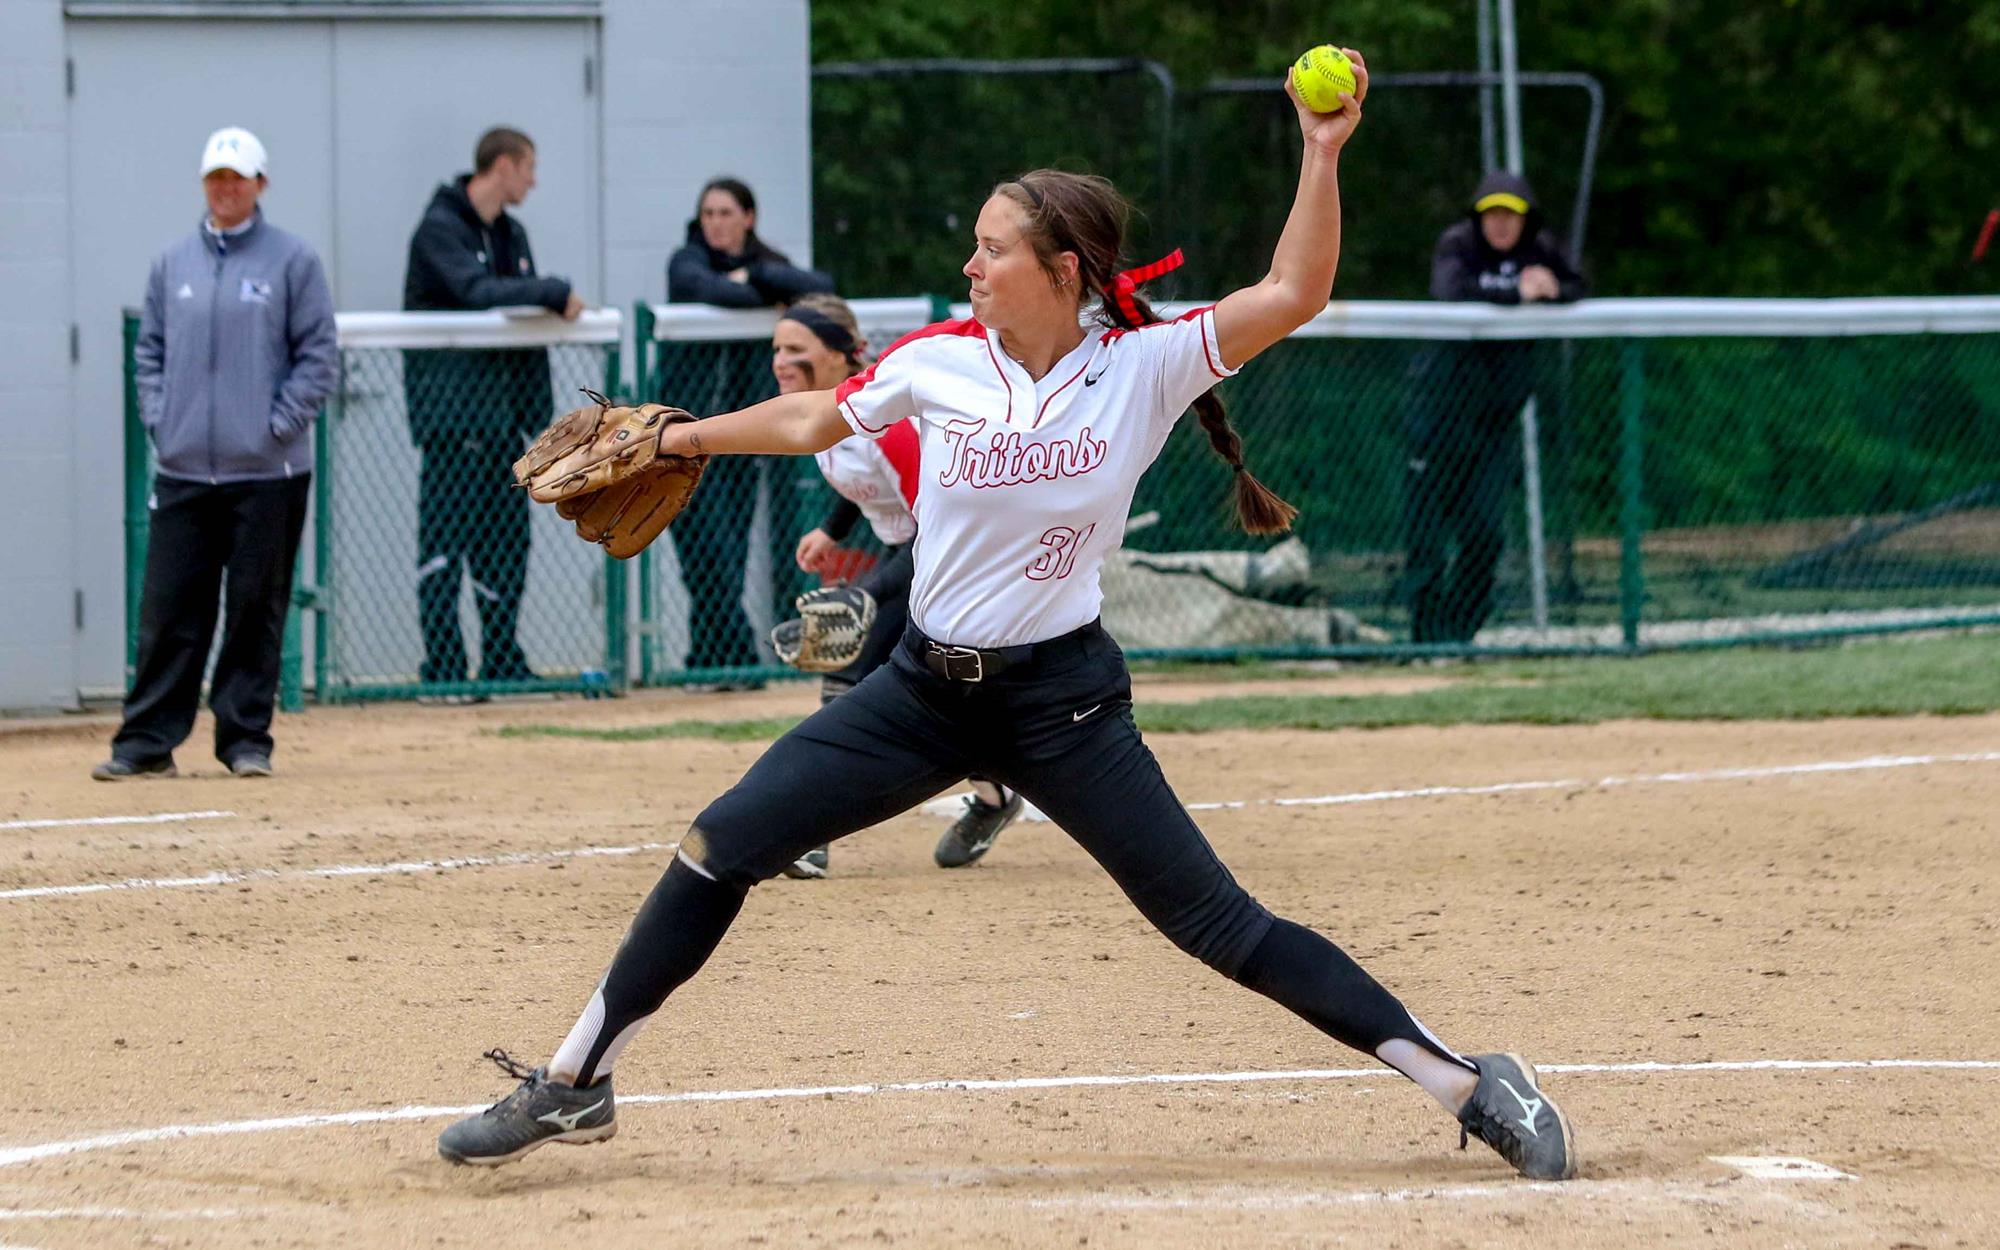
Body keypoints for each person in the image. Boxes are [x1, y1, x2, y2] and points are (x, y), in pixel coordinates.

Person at [438, 53, 1577, 1184]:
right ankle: (574, 1082)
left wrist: (1319, 151)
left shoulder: (1138, 366)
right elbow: (812, 419)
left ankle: (1475, 1084)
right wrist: (680, 436)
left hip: (1060, 703)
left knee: (1218, 924)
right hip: (918, 693)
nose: (969, 262)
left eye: (991, 246)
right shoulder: (940, 360)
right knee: (718, 844)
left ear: (1059, 268)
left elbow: (1294, 292)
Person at [94, 127, 337, 782]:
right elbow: (150, 354)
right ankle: (146, 741)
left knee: (255, 608)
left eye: (237, 177)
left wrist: (276, 427)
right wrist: (160, 419)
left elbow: (318, 357)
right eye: (215, 178)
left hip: (269, 473)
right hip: (183, 470)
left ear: (259, 184)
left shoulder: (292, 262)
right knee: (170, 607)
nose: (225, 188)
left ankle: (244, 739)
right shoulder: (172, 264)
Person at [768, 293, 1025, 879]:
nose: (780, 360)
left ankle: (808, 832)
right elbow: (857, 481)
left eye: (795, 349)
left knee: (853, 682)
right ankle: (996, 798)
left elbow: (934, 530)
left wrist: (869, 593)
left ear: (838, 354)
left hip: (950, 561)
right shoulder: (827, 410)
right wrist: (831, 531)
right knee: (938, 707)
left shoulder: (887, 427)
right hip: (910, 555)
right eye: (776, 348)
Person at [402, 126, 586, 692]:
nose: (532, 181)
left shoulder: (513, 233)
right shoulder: (440, 229)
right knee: (444, 549)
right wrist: (551, 290)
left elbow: (516, 310)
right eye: (527, 167)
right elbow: (475, 291)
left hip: (507, 425)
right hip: (453, 425)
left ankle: (503, 658)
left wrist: (538, 418)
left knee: (506, 546)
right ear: (502, 166)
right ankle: (446, 668)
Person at [1403, 171, 1586, 644]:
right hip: (1437, 420)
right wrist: (1517, 295)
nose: (1501, 224)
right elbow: (1449, 293)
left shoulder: (1539, 250)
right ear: (1478, 217)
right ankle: (1425, 641)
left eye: (1511, 215)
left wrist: (1553, 289)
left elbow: (1577, 286)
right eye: (1493, 214)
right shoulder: (1458, 245)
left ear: (1526, 220)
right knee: (1426, 538)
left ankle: (1458, 636)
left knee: (1485, 534)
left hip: (1492, 427)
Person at [666, 177, 834, 685]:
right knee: (704, 553)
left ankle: (709, 661)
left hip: (740, 436)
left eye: (724, 213)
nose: (714, 223)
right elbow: (706, 291)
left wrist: (753, 277)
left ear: (748, 218)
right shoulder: (685, 260)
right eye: (708, 213)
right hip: (685, 437)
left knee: (730, 552)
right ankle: (732, 657)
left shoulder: (767, 262)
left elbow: (819, 288)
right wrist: (755, 292)